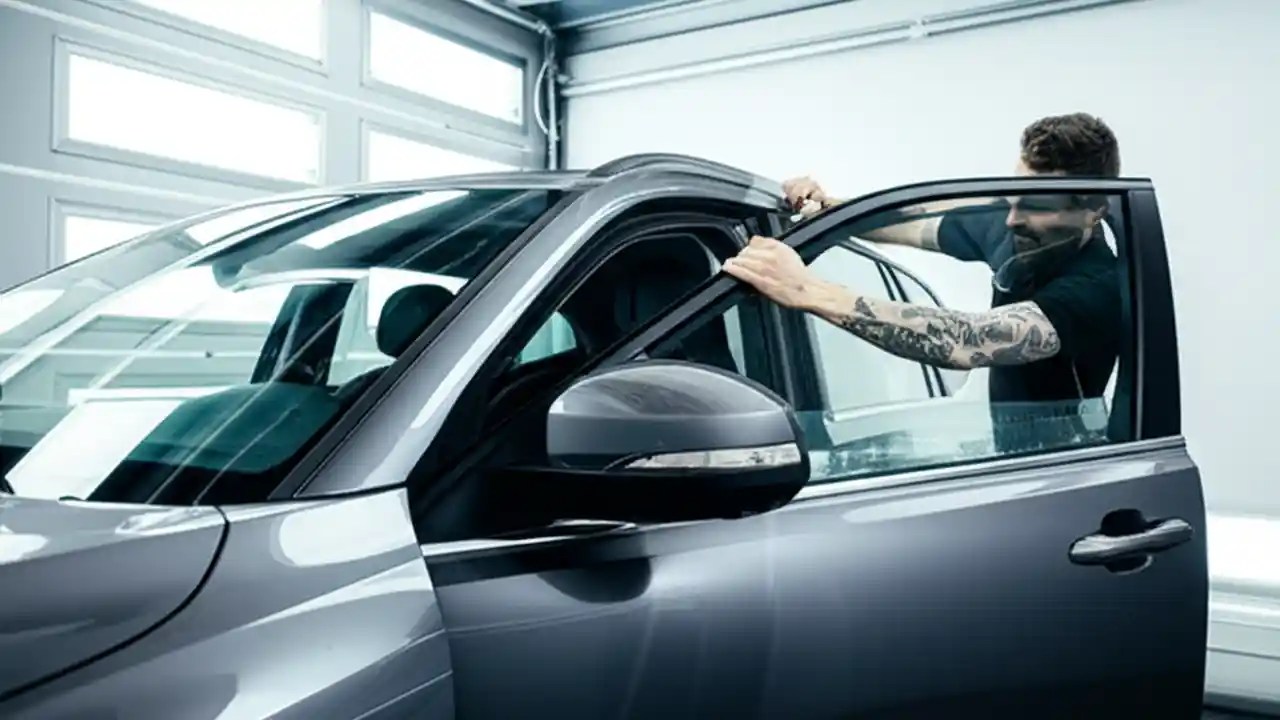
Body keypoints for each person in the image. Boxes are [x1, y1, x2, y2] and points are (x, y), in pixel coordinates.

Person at [723, 112, 1122, 450]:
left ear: (1093, 211)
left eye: (1036, 207)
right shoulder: (1013, 225)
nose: (1011, 218)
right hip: (1014, 456)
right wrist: (827, 210)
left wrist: (807, 290)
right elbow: (907, 224)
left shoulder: (1097, 288)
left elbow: (965, 340)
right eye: (1012, 196)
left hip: (1066, 469)